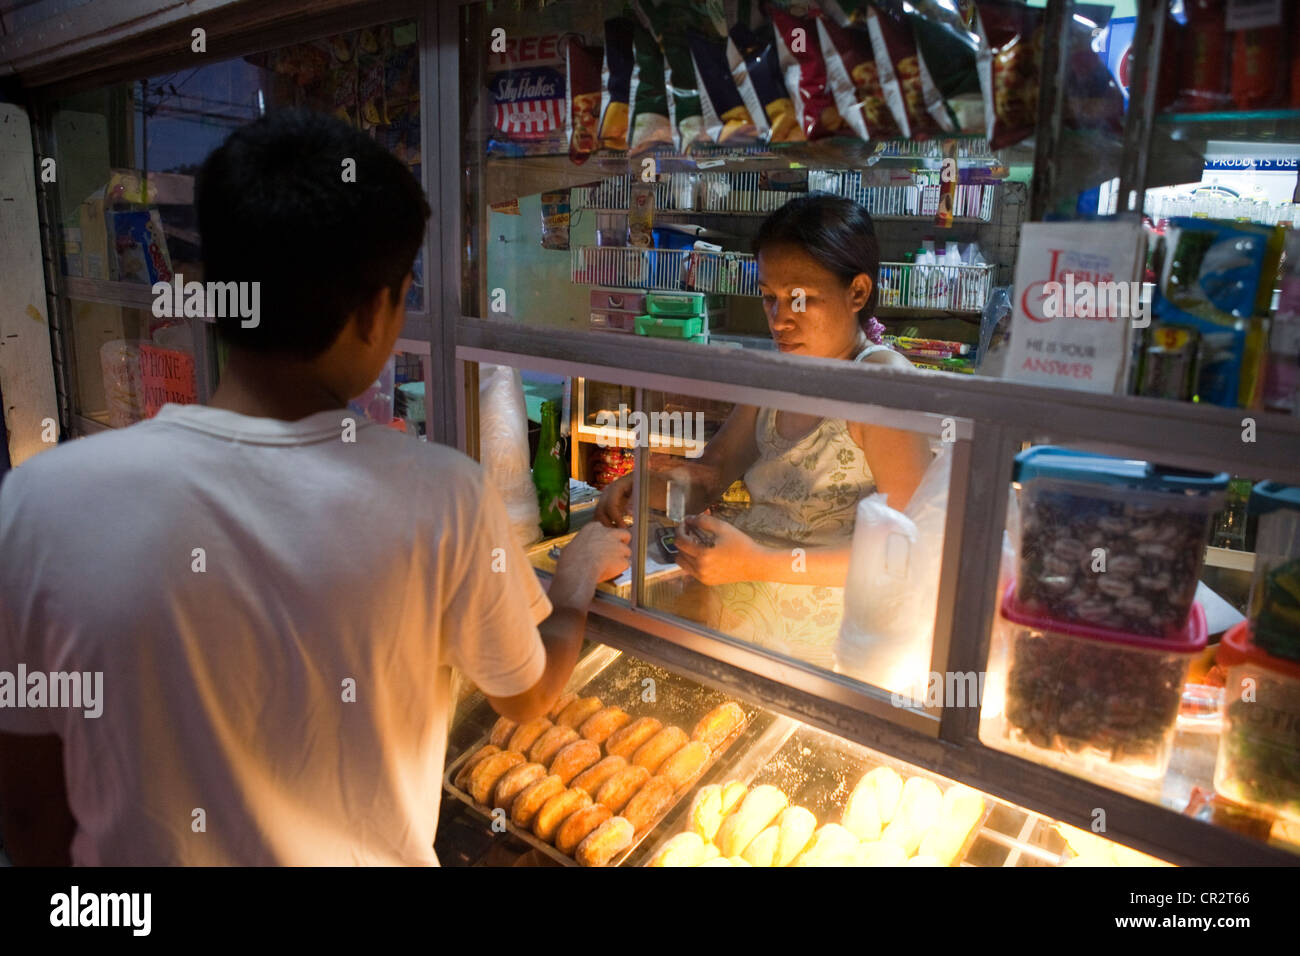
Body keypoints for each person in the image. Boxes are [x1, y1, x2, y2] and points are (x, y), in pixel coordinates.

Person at [0, 109, 630, 866]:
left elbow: (31, 815)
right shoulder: (441, 497)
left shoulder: (38, 504)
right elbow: (524, 697)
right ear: (377, 309)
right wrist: (574, 584)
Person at [597, 194, 932, 668]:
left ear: (857, 293)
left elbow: (909, 552)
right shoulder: (782, 374)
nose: (779, 319)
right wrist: (646, 486)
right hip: (738, 638)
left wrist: (758, 563)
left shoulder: (880, 384)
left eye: (799, 299)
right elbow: (710, 476)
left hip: (823, 658)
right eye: (769, 297)